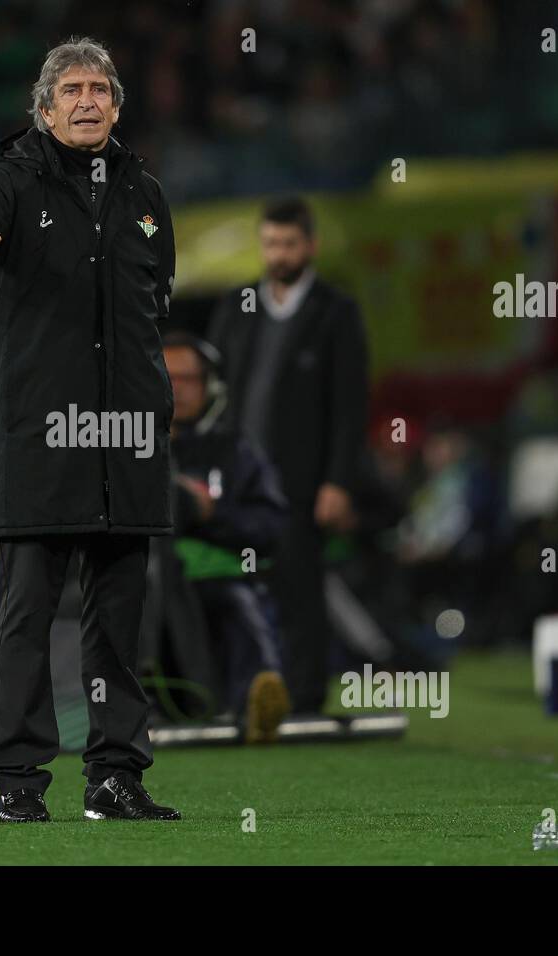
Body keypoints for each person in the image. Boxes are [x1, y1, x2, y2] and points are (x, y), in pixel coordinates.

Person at [0, 37, 179, 822]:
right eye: (70, 89)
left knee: (117, 624)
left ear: (115, 105)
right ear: (43, 109)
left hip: (125, 442)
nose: (86, 100)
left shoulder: (145, 194)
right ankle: (19, 782)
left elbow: (156, 308)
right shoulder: (14, 178)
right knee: (27, 620)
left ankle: (115, 776)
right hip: (42, 439)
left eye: (99, 89)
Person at [208, 197, 369, 714]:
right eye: (271, 244)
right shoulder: (237, 306)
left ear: (311, 246)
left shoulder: (335, 312)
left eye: (289, 244)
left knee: (300, 588)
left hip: (301, 478)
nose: (278, 254)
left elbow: (350, 405)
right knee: (237, 588)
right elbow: (215, 392)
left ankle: (304, 696)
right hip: (241, 477)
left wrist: (339, 481)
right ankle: (240, 691)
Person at [161, 332, 291, 741]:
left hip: (214, 584)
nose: (177, 389)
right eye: (167, 377)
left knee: (238, 601)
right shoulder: (120, 444)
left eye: (189, 379)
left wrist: (209, 513)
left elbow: (270, 528)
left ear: (210, 387)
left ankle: (254, 701)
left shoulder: (234, 451)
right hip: (142, 583)